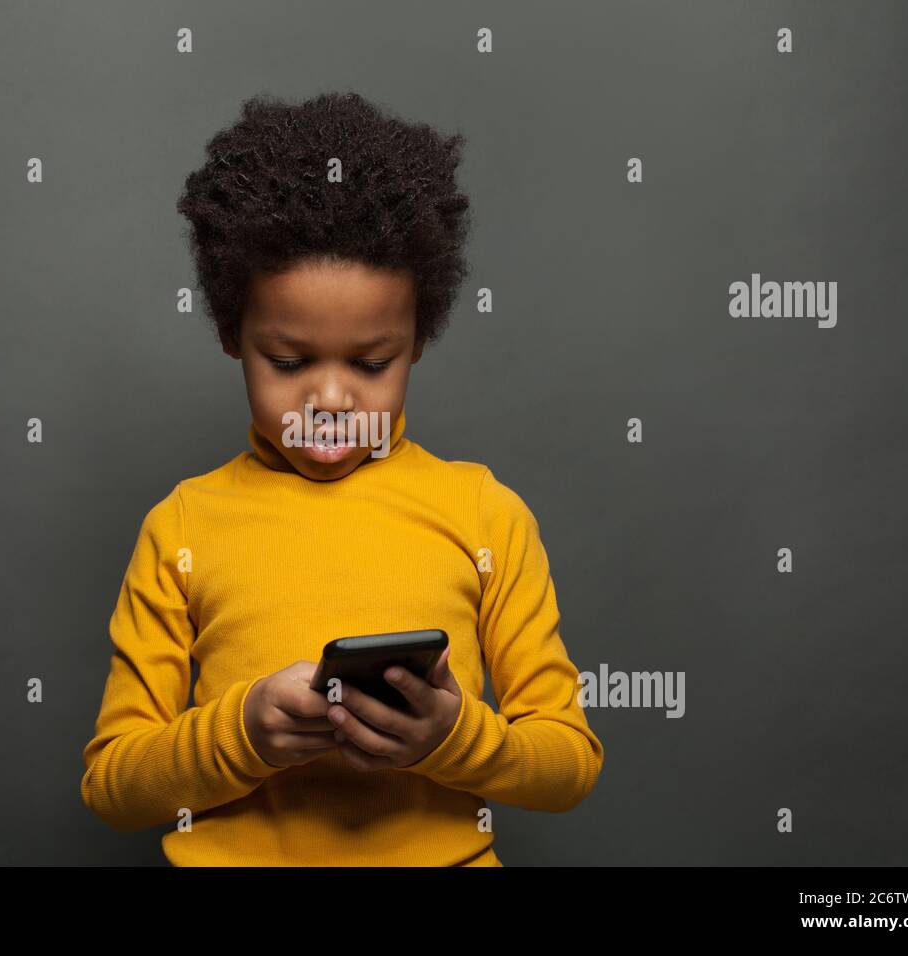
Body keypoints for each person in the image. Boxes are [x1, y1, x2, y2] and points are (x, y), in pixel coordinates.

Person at [80, 91, 604, 865]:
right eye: (289, 363)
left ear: (418, 340)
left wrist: (451, 738)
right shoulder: (183, 527)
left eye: (370, 362)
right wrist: (244, 731)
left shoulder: (485, 516)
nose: (330, 400)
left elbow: (568, 764)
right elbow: (114, 786)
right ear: (232, 336)